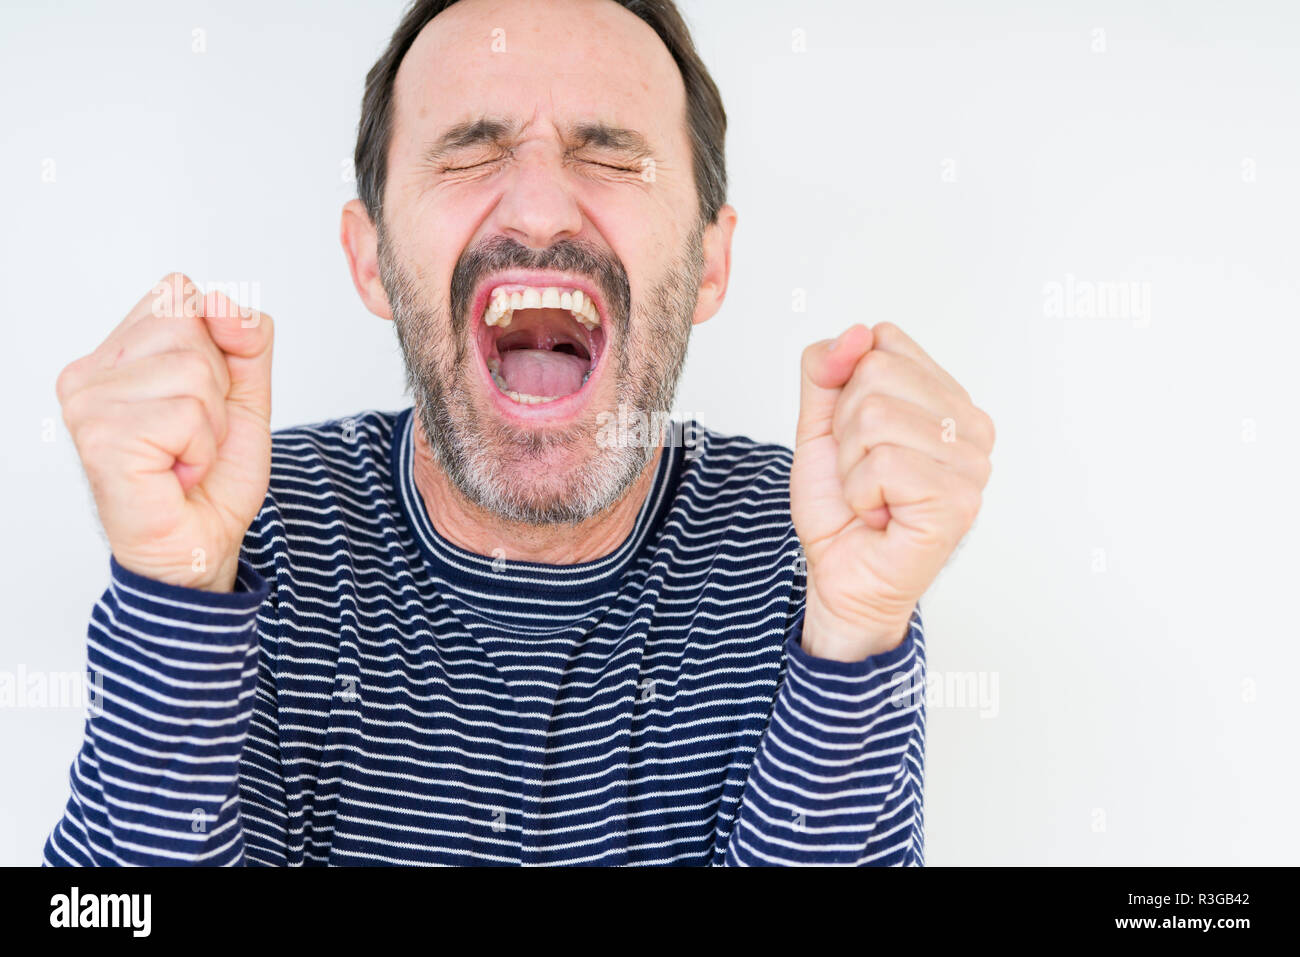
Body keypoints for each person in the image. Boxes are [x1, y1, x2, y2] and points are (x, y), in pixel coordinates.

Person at [45, 0, 994, 866]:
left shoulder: (806, 545)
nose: (540, 209)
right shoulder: (246, 527)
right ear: (370, 258)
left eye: (613, 154)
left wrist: (855, 631)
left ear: (710, 262)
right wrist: (173, 592)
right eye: (468, 151)